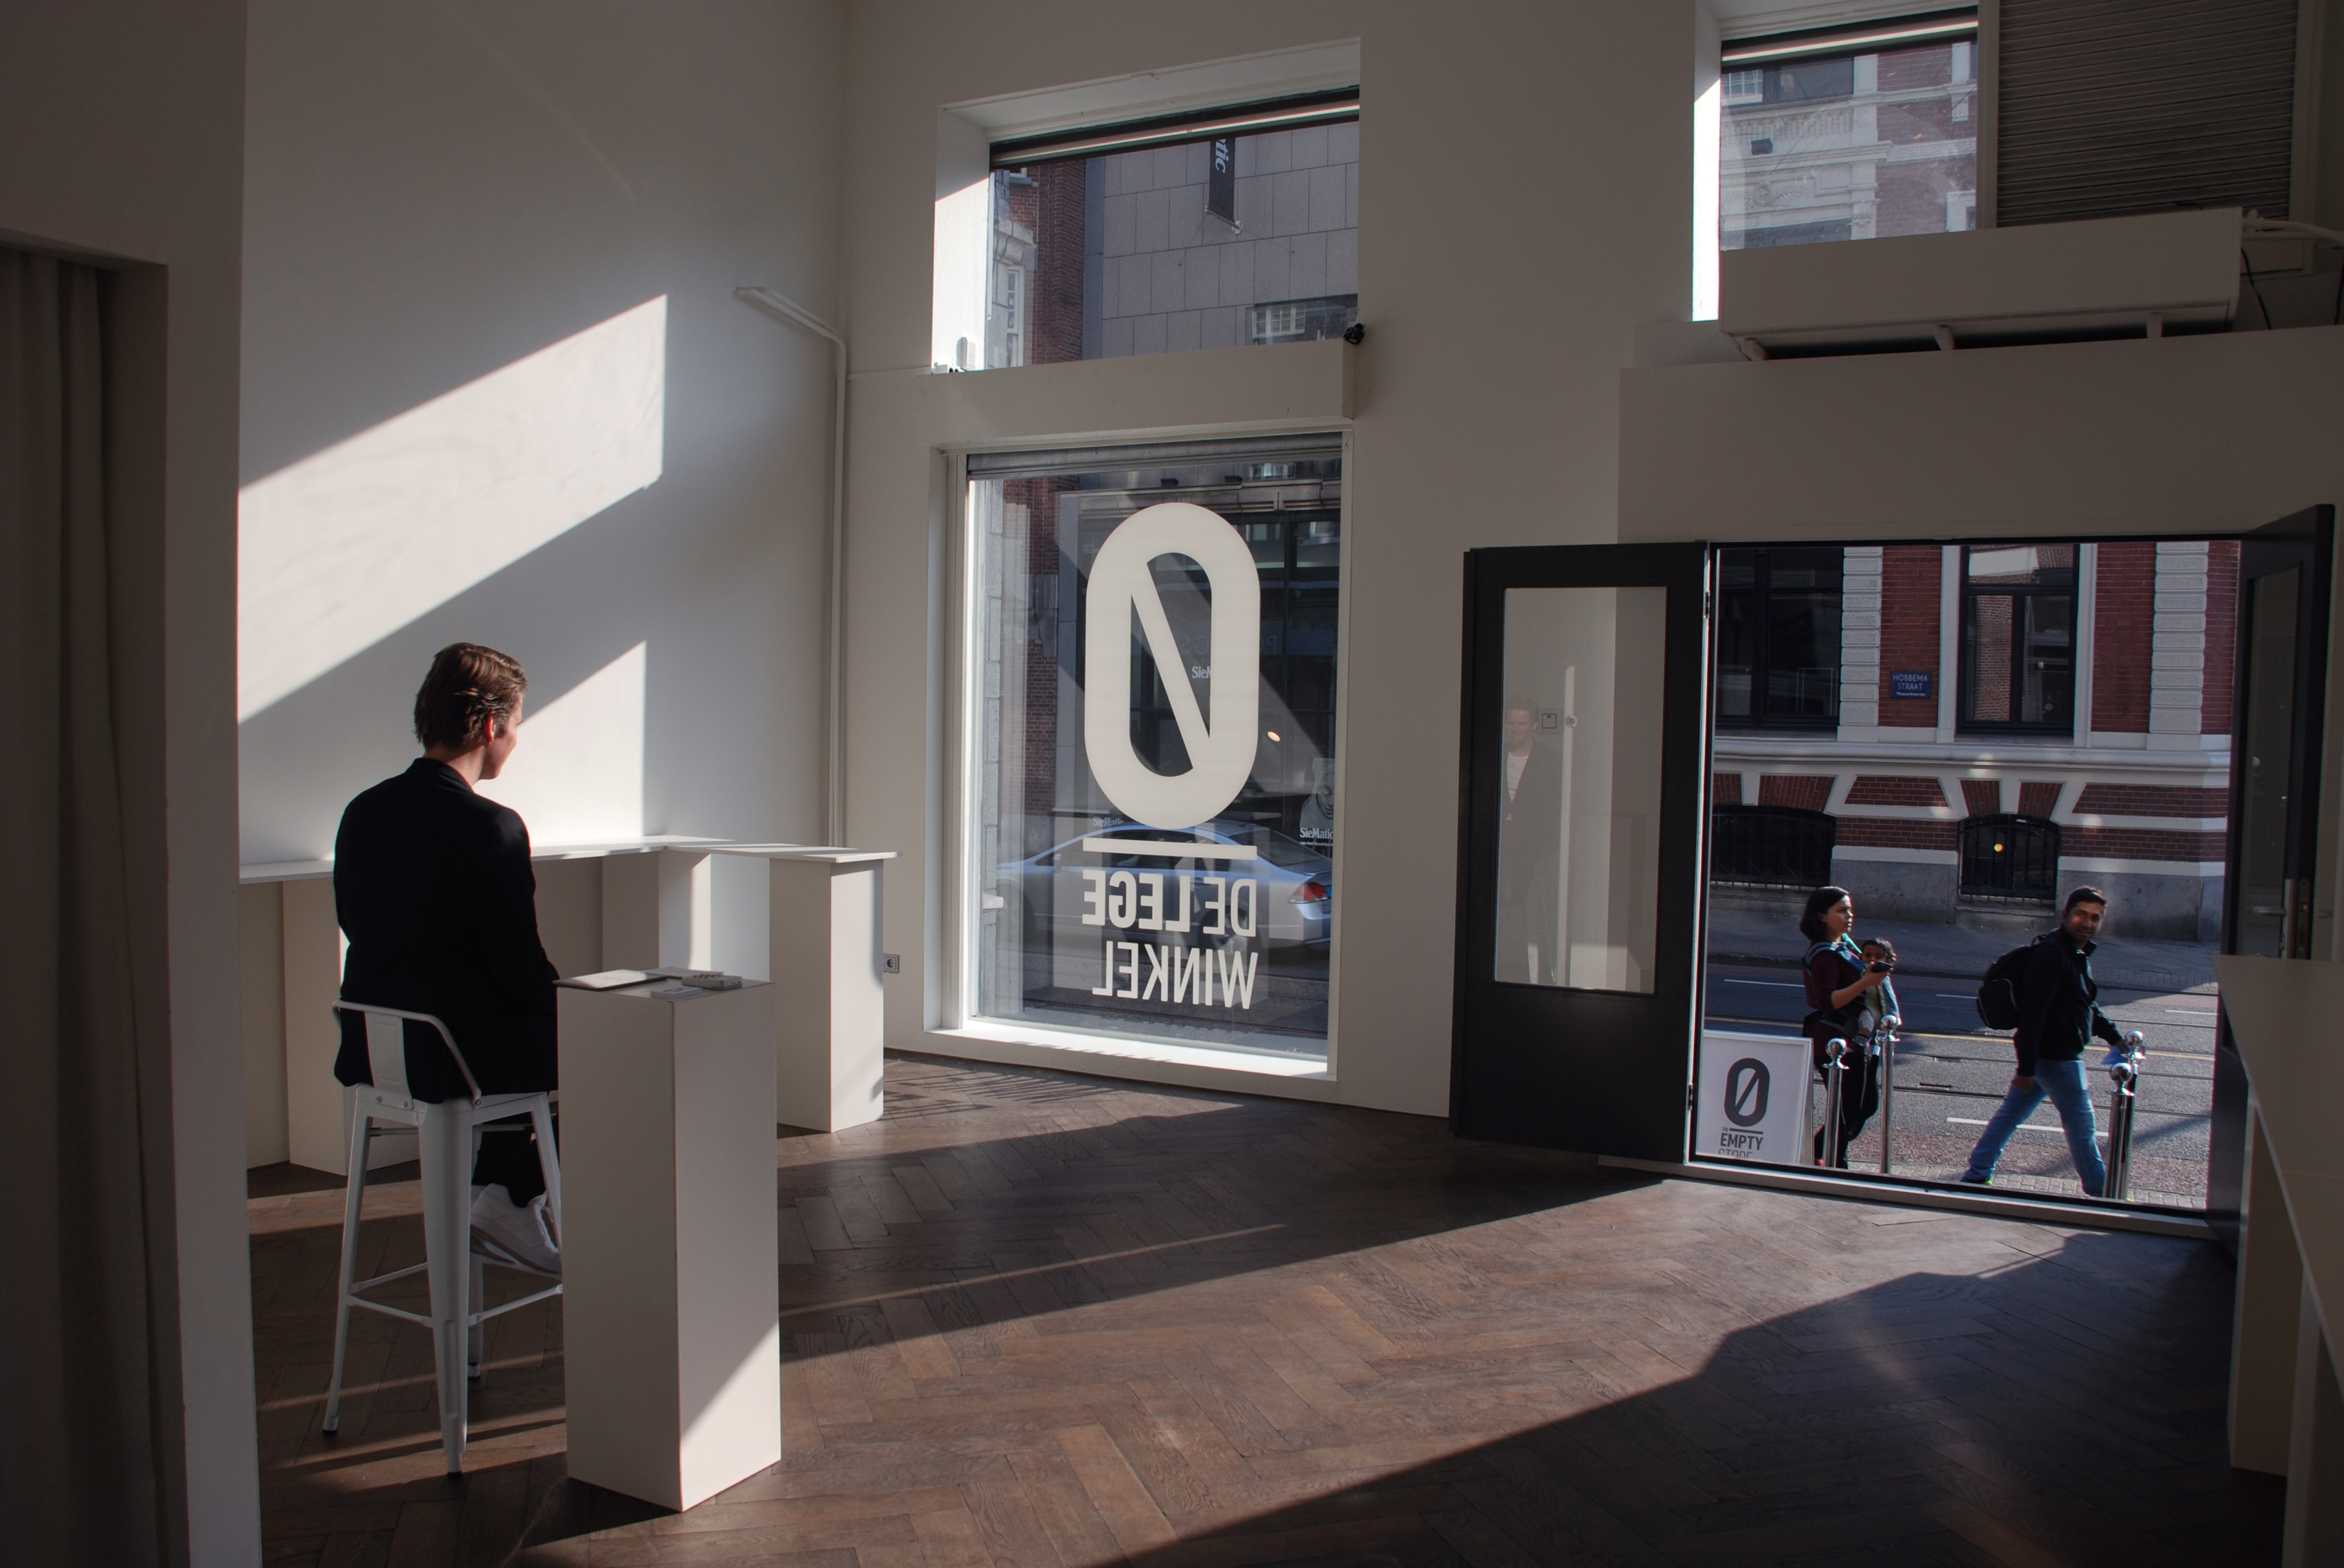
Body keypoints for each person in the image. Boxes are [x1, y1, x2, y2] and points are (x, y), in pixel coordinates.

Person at [333, 643, 562, 1272]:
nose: (513, 740)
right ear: (490, 725)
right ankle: (509, 1195)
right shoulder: (491, 826)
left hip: (376, 1042)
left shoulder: (362, 811)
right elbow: (520, 969)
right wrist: (576, 1001)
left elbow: (356, 924)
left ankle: (493, 1196)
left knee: (548, 1031)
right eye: (515, 725)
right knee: (609, 1040)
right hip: (453, 1053)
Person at [1961, 886, 2124, 1196]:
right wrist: (2026, 1067)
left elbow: (2085, 1005)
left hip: (2046, 1057)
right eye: (2081, 915)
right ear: (2066, 915)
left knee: (2011, 1115)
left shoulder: (2075, 953)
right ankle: (2103, 1193)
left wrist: (2116, 1038)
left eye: (2095, 918)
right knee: (2082, 1128)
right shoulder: (2052, 955)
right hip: (2057, 1058)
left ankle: (1978, 1171)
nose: (2088, 923)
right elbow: (2032, 1014)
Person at [1798, 886, 1886, 1167]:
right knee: (1850, 1109)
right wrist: (1865, 983)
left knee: (1863, 1105)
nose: (1849, 915)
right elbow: (1827, 1001)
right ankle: (1827, 1160)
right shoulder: (1824, 955)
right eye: (1841, 910)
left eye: (1850, 909)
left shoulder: (1843, 945)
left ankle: (1824, 1156)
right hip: (1834, 1041)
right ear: (1821, 916)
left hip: (1853, 1040)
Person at [1495, 697, 1563, 983]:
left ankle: (1534, 970)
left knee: (1530, 910)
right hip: (1497, 843)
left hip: (1533, 850)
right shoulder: (1495, 754)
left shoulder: (1550, 760)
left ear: (1534, 725)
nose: (1515, 728)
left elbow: (1553, 810)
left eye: (1522, 723)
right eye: (1511, 722)